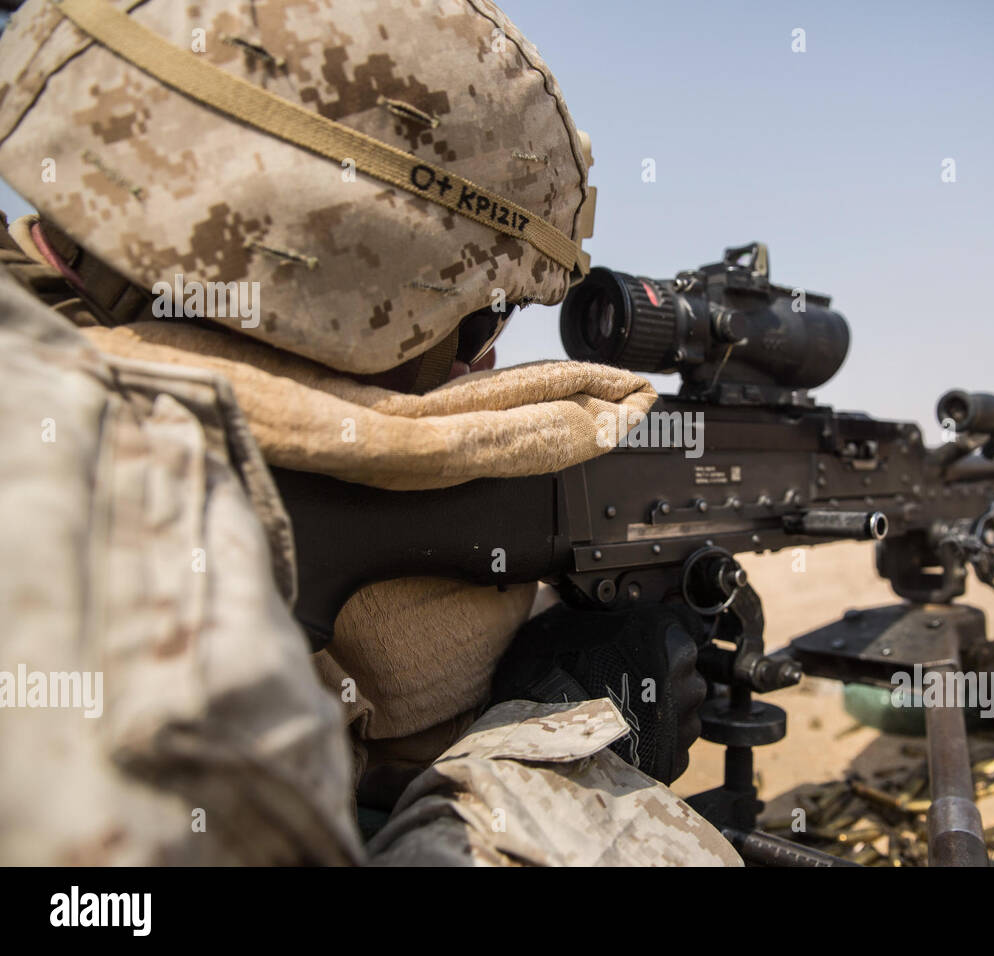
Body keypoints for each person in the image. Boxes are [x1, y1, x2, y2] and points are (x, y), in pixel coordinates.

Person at [0, 0, 739, 866]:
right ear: (341, 289)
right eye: (479, 320)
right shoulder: (110, 540)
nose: (487, 368)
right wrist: (568, 765)